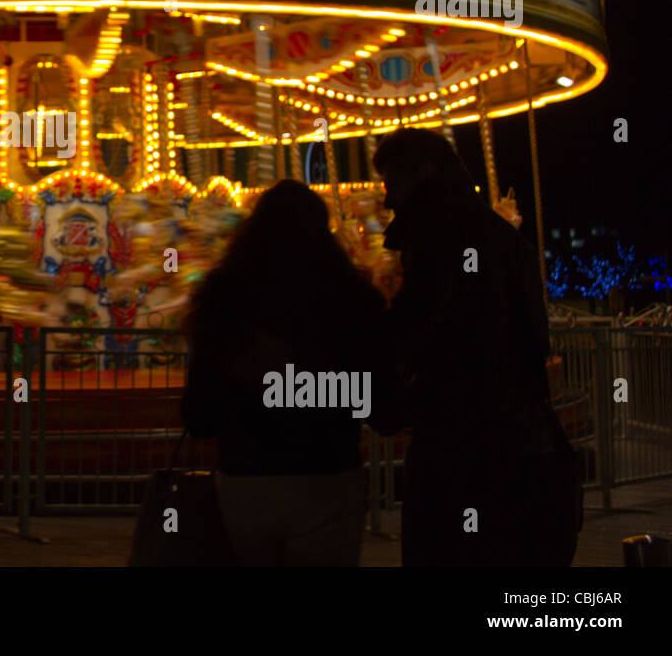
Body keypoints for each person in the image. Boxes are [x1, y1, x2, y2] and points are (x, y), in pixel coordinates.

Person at [371, 128, 579, 566]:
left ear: (422, 174)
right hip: (522, 441)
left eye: (392, 185)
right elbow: (533, 340)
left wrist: (386, 387)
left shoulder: (436, 234)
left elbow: (423, 324)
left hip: (458, 445)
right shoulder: (504, 239)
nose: (388, 201)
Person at [182, 179, 389, 565]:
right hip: (327, 470)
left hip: (247, 473)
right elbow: (377, 395)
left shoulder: (224, 298)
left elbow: (200, 412)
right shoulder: (351, 297)